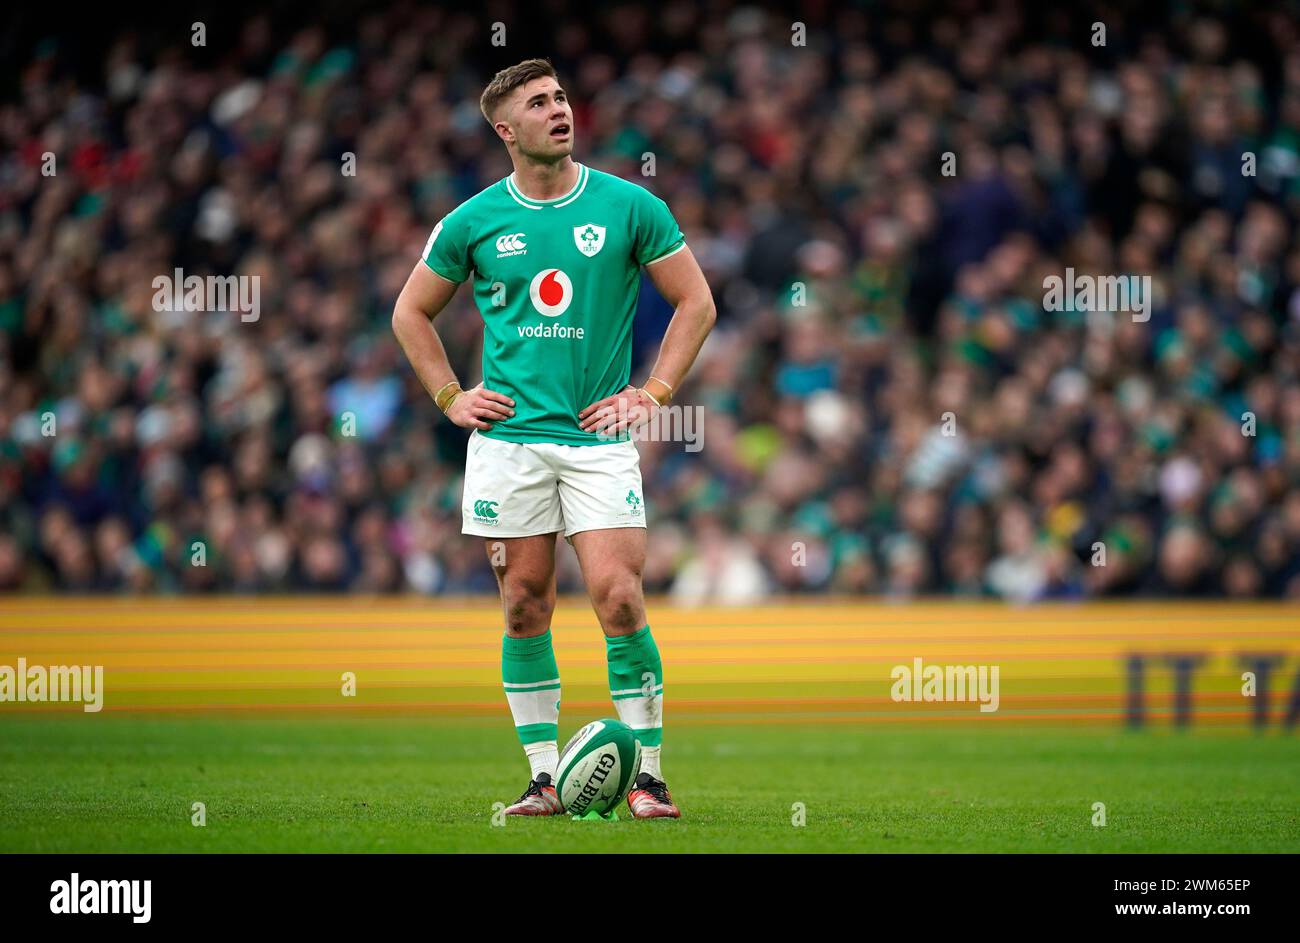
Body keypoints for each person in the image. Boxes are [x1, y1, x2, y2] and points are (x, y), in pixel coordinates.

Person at [392, 58, 716, 818]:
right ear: (506, 130)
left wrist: (653, 393)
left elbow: (696, 303)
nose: (558, 109)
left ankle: (652, 778)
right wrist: (450, 396)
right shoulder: (471, 221)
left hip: (597, 441)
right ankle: (544, 778)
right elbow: (410, 313)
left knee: (619, 596)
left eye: (562, 96)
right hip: (508, 444)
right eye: (538, 103)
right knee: (523, 607)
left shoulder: (630, 206)